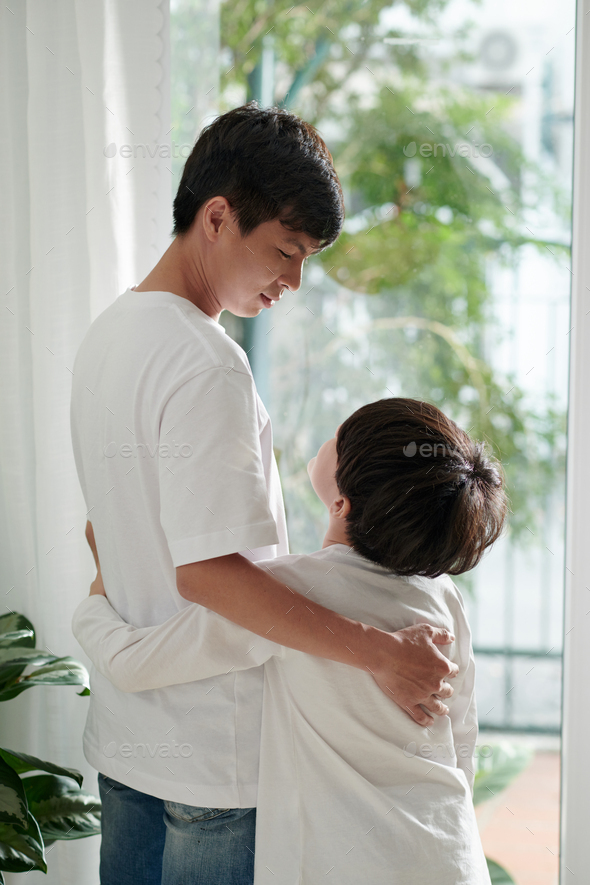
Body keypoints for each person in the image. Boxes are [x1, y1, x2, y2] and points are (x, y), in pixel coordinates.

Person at [70, 103, 458, 885]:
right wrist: (385, 657)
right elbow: (208, 574)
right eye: (285, 251)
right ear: (217, 218)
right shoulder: (206, 363)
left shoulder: (110, 334)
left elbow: (104, 529)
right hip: (214, 766)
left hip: (127, 740)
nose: (294, 280)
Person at [74, 397, 507, 884]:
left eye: (337, 440)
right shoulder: (442, 595)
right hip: (449, 855)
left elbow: (133, 664)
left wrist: (97, 591)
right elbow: (463, 743)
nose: (328, 438)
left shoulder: (285, 596)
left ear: (341, 504)